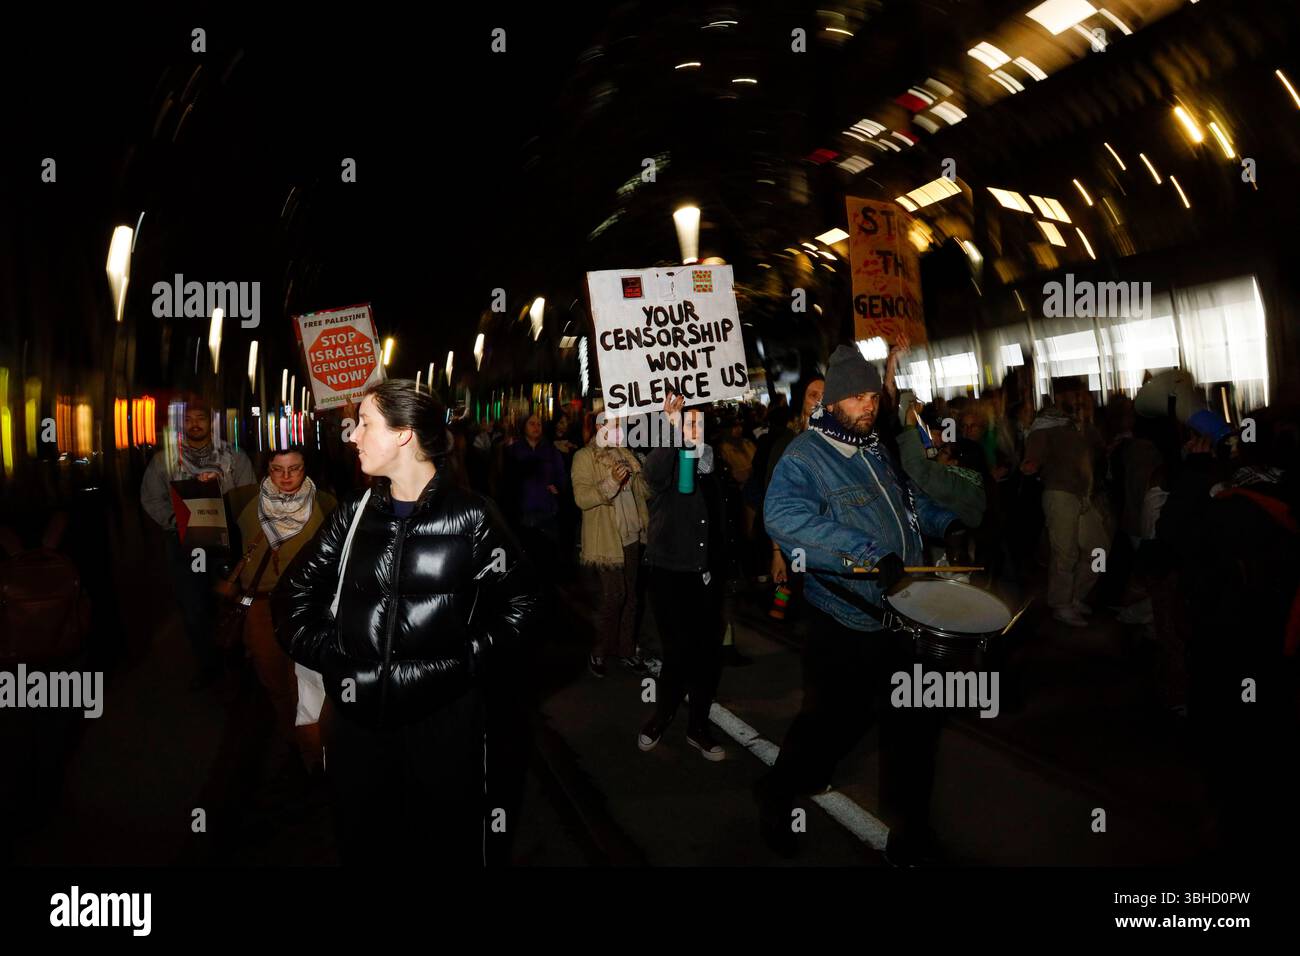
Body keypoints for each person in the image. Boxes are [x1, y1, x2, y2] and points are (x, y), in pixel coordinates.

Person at [272, 380, 540, 866]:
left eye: (366, 424)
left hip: (445, 724)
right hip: (358, 729)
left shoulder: (473, 518)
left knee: (446, 846)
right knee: (366, 844)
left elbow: (522, 607)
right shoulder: (353, 514)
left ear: (404, 435)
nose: (353, 436)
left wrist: (462, 663)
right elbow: (292, 598)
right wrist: (336, 657)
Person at [758, 344, 964, 865]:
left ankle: (910, 833)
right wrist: (869, 554)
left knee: (915, 727)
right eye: (856, 396)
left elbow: (908, 502)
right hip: (844, 623)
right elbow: (784, 519)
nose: (868, 404)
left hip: (903, 616)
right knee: (829, 726)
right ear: (831, 401)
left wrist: (946, 523)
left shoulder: (874, 446)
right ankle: (778, 794)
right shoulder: (804, 456)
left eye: (872, 394)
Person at [636, 391, 734, 761]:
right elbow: (652, 475)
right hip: (668, 570)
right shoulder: (666, 453)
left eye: (696, 418)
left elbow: (722, 513)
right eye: (685, 417)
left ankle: (698, 726)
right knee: (677, 651)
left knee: (707, 654)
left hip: (706, 573)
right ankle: (661, 716)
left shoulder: (711, 460)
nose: (691, 423)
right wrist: (671, 430)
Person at [140, 395, 255, 690]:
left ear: (211, 422)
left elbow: (249, 496)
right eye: (189, 419)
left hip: (225, 541)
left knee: (233, 603)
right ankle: (209, 667)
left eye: (200, 418)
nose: (195, 424)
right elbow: (151, 497)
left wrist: (229, 517)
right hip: (183, 545)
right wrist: (176, 521)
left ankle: (238, 661)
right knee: (194, 608)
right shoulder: (164, 459)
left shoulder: (234, 455)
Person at [233, 445, 336, 774]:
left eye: (295, 468)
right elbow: (203, 528)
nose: (288, 476)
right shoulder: (244, 505)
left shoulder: (324, 504)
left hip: (306, 606)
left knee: (307, 685)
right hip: (261, 605)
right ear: (267, 470)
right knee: (274, 678)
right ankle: (291, 741)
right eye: (279, 469)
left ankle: (314, 758)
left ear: (306, 469)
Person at [571, 413, 651, 677]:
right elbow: (582, 498)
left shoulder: (626, 454)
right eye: (613, 424)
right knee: (614, 596)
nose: (619, 429)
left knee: (631, 596)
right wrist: (611, 482)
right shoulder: (584, 456)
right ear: (598, 427)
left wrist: (645, 471)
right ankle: (599, 651)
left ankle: (626, 650)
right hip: (606, 538)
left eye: (620, 424)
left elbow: (644, 494)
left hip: (631, 536)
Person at [1021, 387, 1109, 627]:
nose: (1079, 399)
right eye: (1074, 394)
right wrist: (1031, 464)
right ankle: (1061, 604)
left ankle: (1075, 595)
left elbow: (1099, 451)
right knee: (1065, 552)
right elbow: (1033, 456)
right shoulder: (1046, 424)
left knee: (1099, 548)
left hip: (1084, 495)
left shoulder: (1082, 425)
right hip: (1060, 494)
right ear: (1059, 396)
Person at [503, 413, 567, 569]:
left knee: (547, 560)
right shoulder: (513, 450)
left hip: (547, 511)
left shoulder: (551, 450)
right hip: (523, 512)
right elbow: (506, 480)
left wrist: (557, 488)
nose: (536, 427)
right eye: (532, 423)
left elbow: (561, 476)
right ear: (524, 426)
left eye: (539, 424)